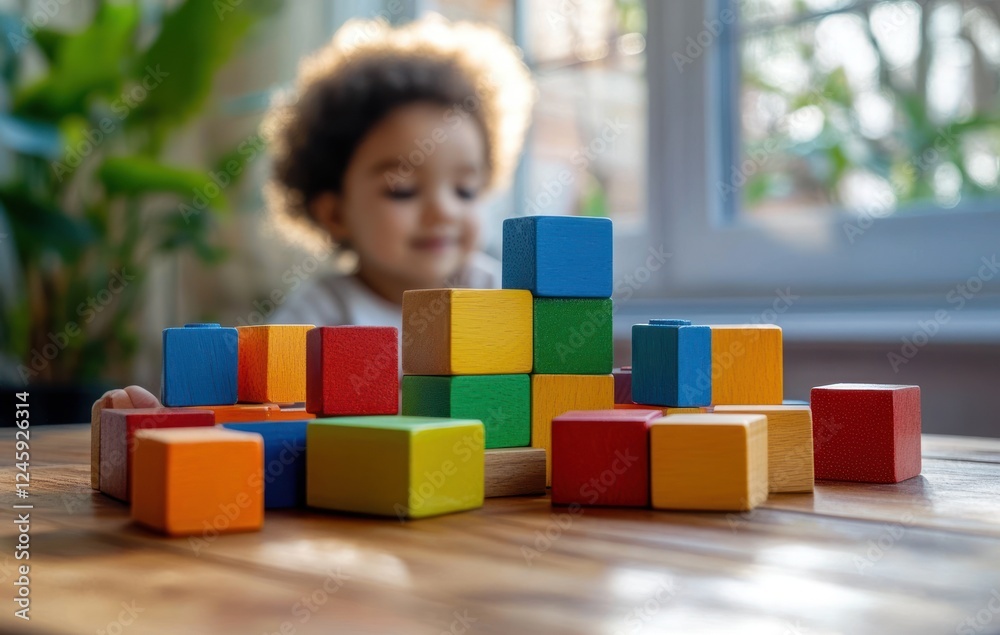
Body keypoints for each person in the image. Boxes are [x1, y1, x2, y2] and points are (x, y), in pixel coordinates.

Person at [92, 15, 534, 411]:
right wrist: (169, 415)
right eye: (402, 190)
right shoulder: (320, 312)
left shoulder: (496, 293)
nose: (443, 212)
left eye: (465, 189)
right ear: (335, 213)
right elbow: (252, 399)